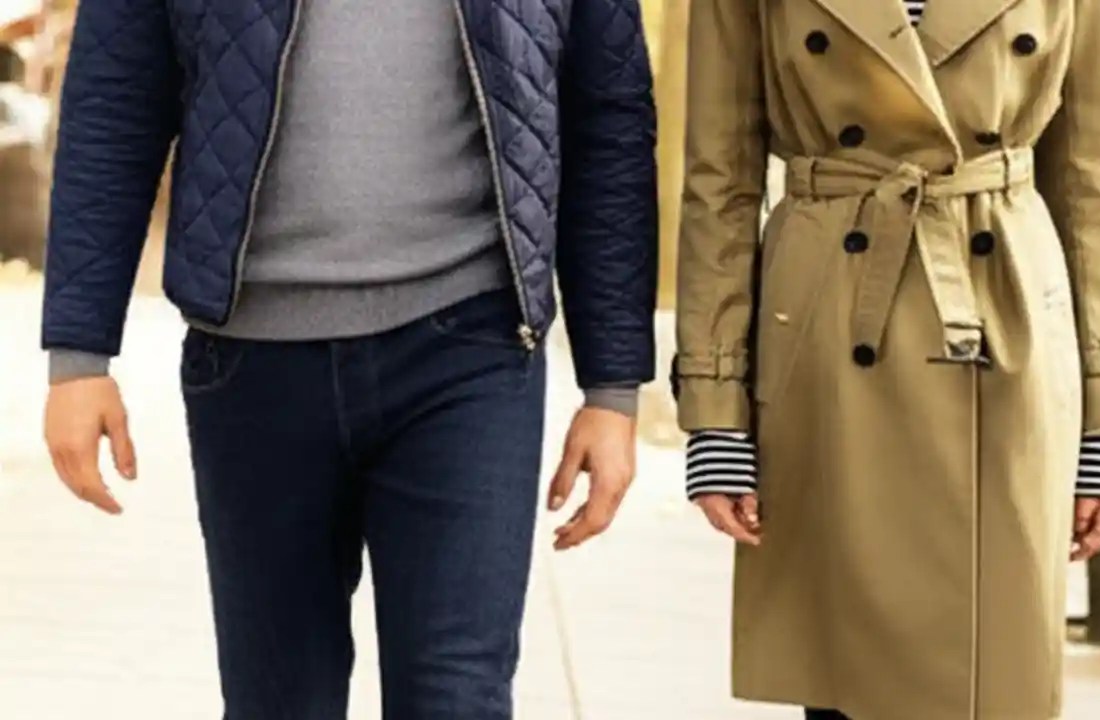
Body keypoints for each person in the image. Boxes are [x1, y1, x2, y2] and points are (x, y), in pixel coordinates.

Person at [39, 1, 657, 717]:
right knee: (279, 702)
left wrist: (612, 386)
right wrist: (79, 356)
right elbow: (115, 98)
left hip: (468, 353)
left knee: (456, 701)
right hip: (255, 364)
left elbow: (607, 114)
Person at [674, 1, 1100, 719]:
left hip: (1005, 320)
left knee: (999, 684)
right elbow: (719, 181)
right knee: (846, 683)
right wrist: (715, 413)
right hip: (829, 323)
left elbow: (1088, 184)